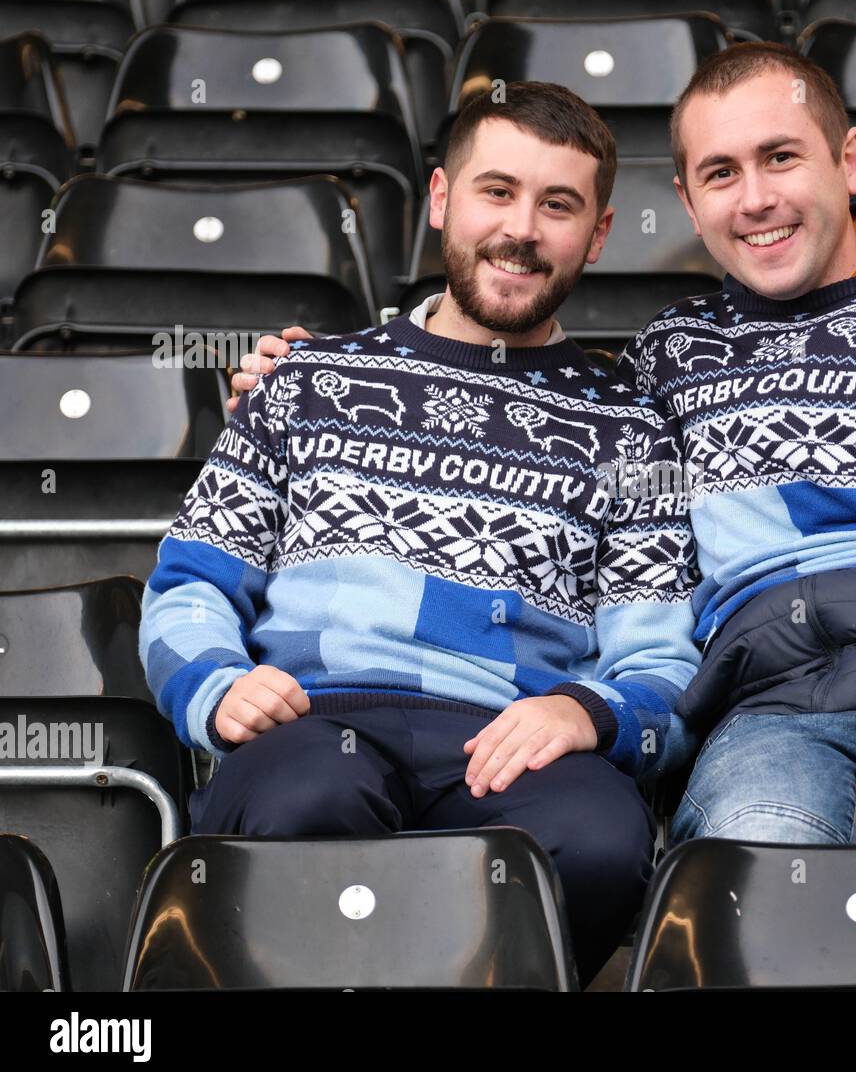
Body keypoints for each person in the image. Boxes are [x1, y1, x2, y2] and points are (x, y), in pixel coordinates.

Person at [242, 45, 856, 874]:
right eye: (721, 174)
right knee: (756, 851)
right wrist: (325, 383)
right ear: (691, 207)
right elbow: (532, 433)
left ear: (850, 162)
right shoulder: (671, 357)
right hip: (770, 715)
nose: (755, 199)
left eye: (780, 158)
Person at [138, 82, 701, 986]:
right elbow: (190, 584)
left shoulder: (634, 430)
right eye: (497, 191)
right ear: (441, 198)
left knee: (597, 840)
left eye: (557, 205)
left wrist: (587, 710)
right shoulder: (307, 377)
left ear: (597, 234)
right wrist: (214, 686)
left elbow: (663, 661)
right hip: (316, 716)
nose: (521, 228)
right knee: (314, 799)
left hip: (511, 736)